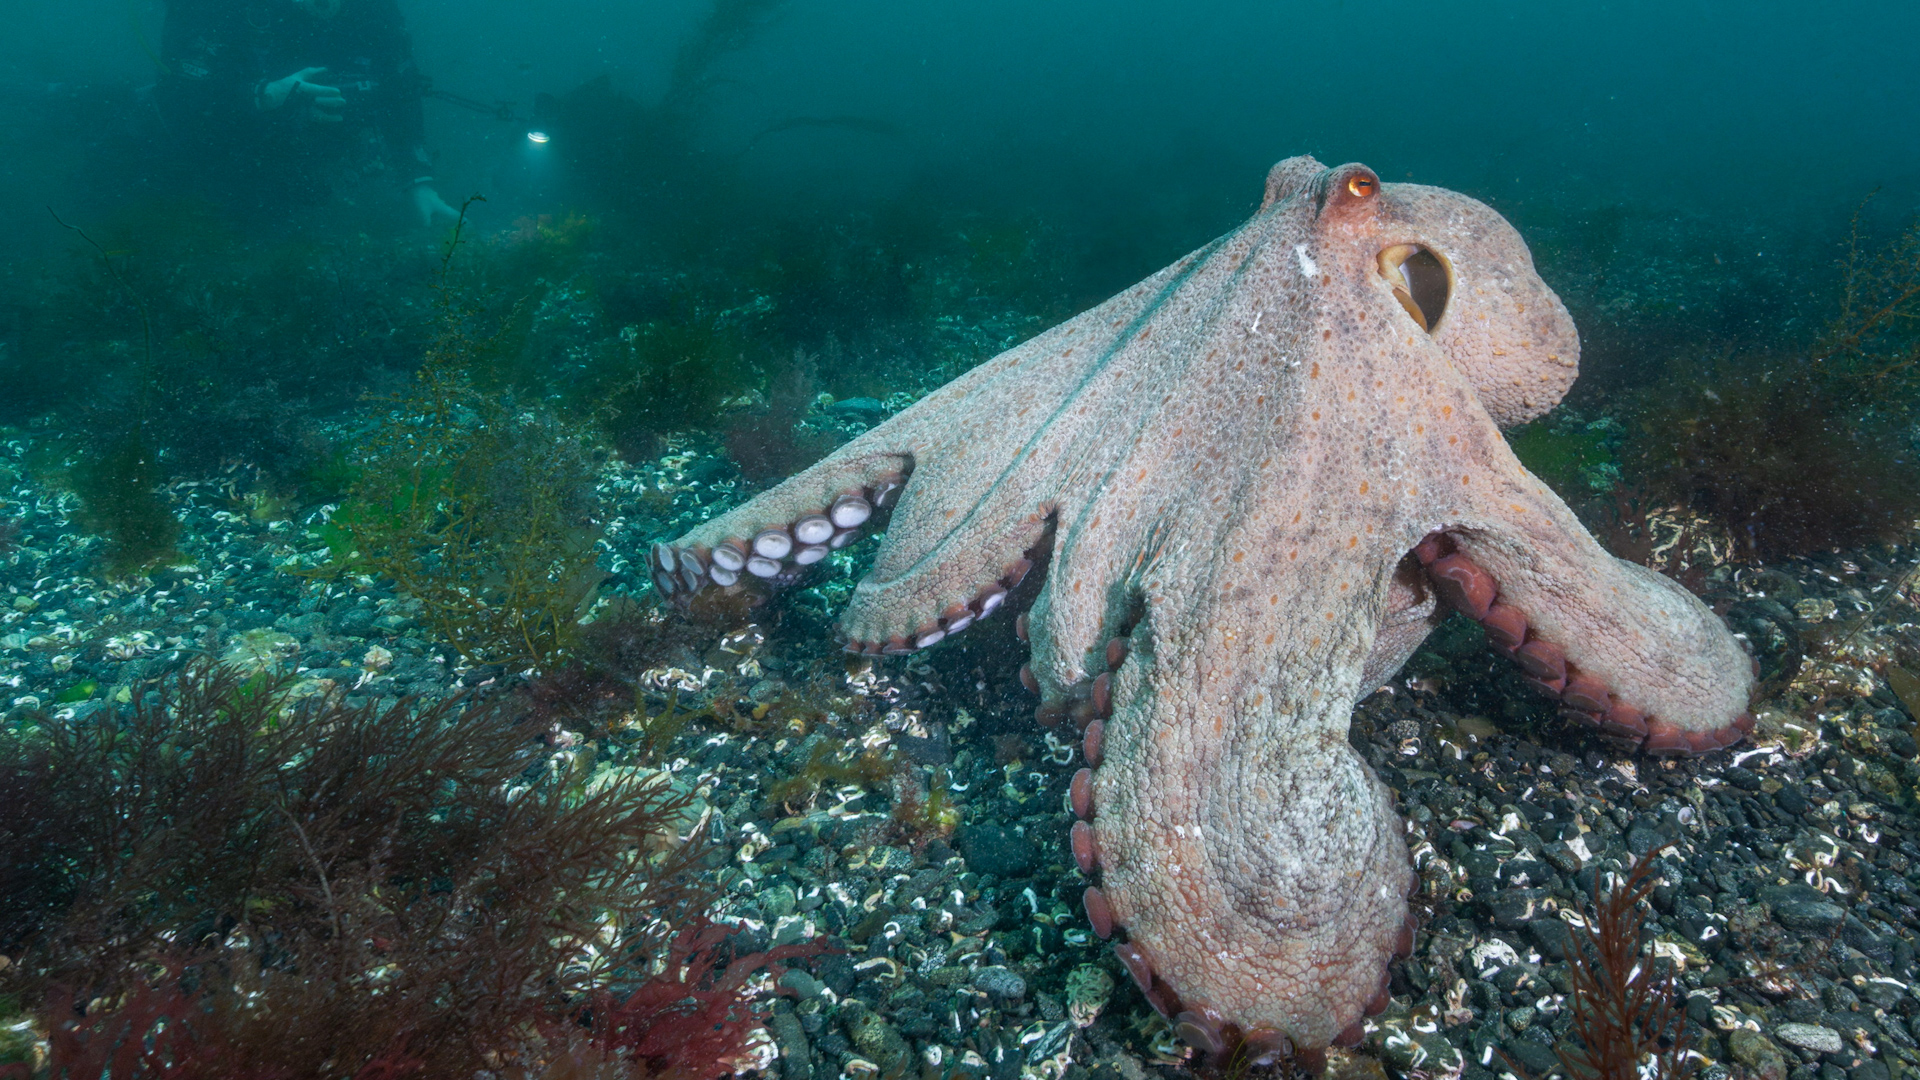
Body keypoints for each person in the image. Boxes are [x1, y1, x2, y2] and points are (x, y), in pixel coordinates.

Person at [157, 0, 459, 227]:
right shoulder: (218, 9)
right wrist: (263, 95)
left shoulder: (373, 10)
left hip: (301, 172)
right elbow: (181, 96)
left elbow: (400, 86)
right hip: (214, 152)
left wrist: (417, 179)